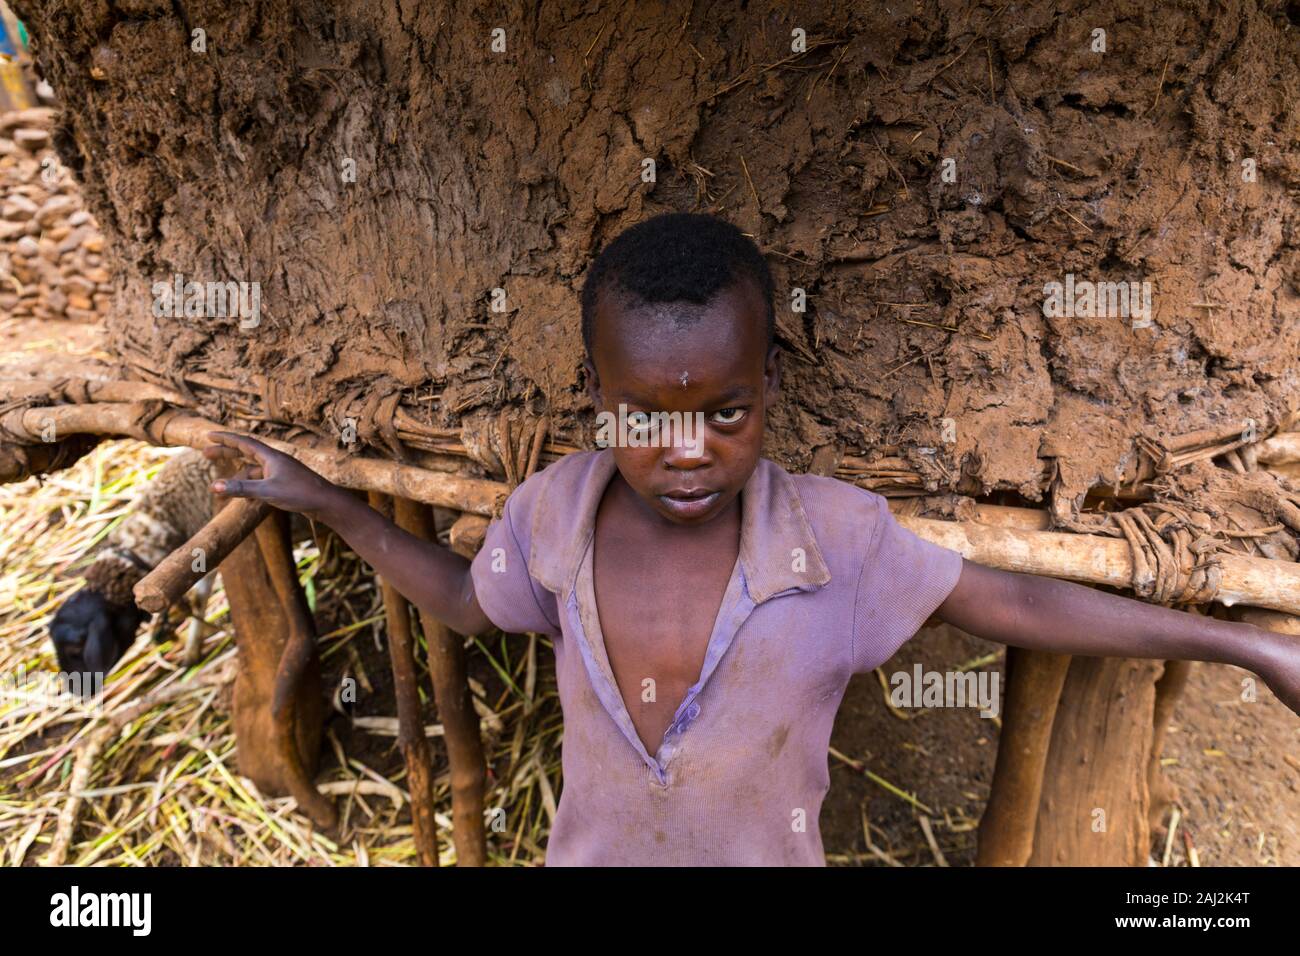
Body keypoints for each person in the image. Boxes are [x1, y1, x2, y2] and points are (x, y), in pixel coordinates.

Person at [203, 212, 1300, 865]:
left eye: (724, 410)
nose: (687, 450)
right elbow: (458, 600)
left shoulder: (833, 539)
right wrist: (331, 503)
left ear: (768, 385)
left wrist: (1248, 646)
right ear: (594, 393)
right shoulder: (551, 515)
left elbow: (1015, 601)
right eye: (647, 415)